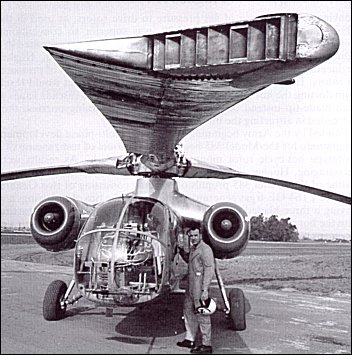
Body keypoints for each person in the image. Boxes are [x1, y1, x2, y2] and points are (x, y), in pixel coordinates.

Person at [176, 226, 215, 354]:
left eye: (195, 235)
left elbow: (209, 270)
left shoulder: (205, 249)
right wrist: (181, 251)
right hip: (191, 287)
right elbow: (190, 261)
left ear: (200, 236)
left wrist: (205, 290)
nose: (193, 238)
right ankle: (190, 338)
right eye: (191, 236)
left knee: (202, 315)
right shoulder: (194, 249)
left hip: (199, 287)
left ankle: (206, 345)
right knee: (188, 311)